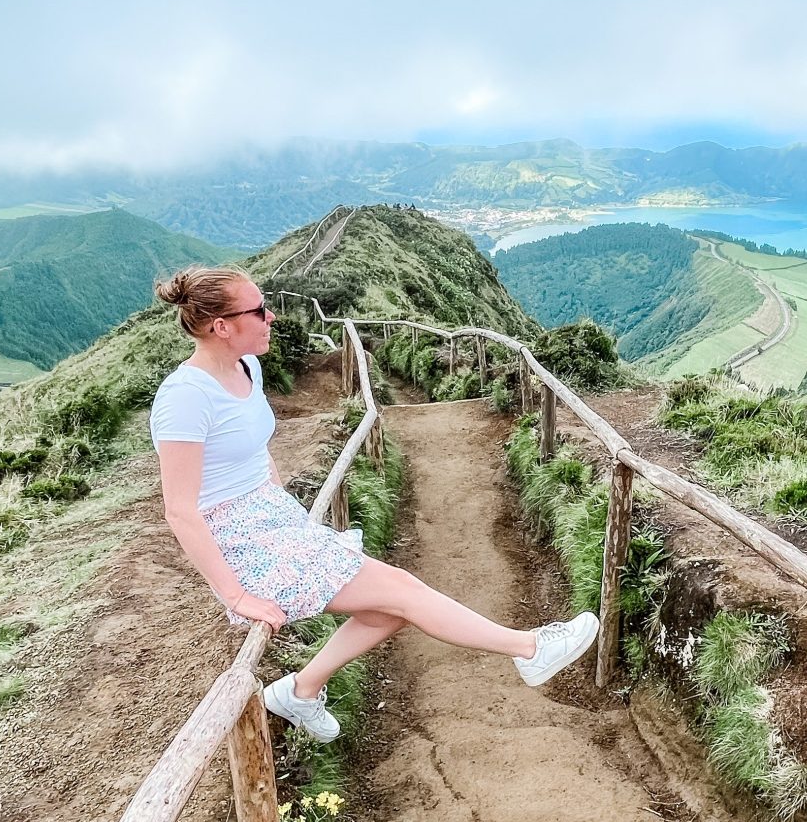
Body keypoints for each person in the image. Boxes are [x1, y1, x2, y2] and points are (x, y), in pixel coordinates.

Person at [149, 266, 598, 742]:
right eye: (258, 310)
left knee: (387, 608)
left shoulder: (247, 367)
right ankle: (529, 649)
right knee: (401, 590)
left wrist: (283, 508)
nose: (271, 317)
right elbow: (180, 510)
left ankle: (299, 691)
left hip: (271, 519)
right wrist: (237, 597)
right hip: (238, 543)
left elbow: (254, 450)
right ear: (222, 326)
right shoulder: (185, 397)